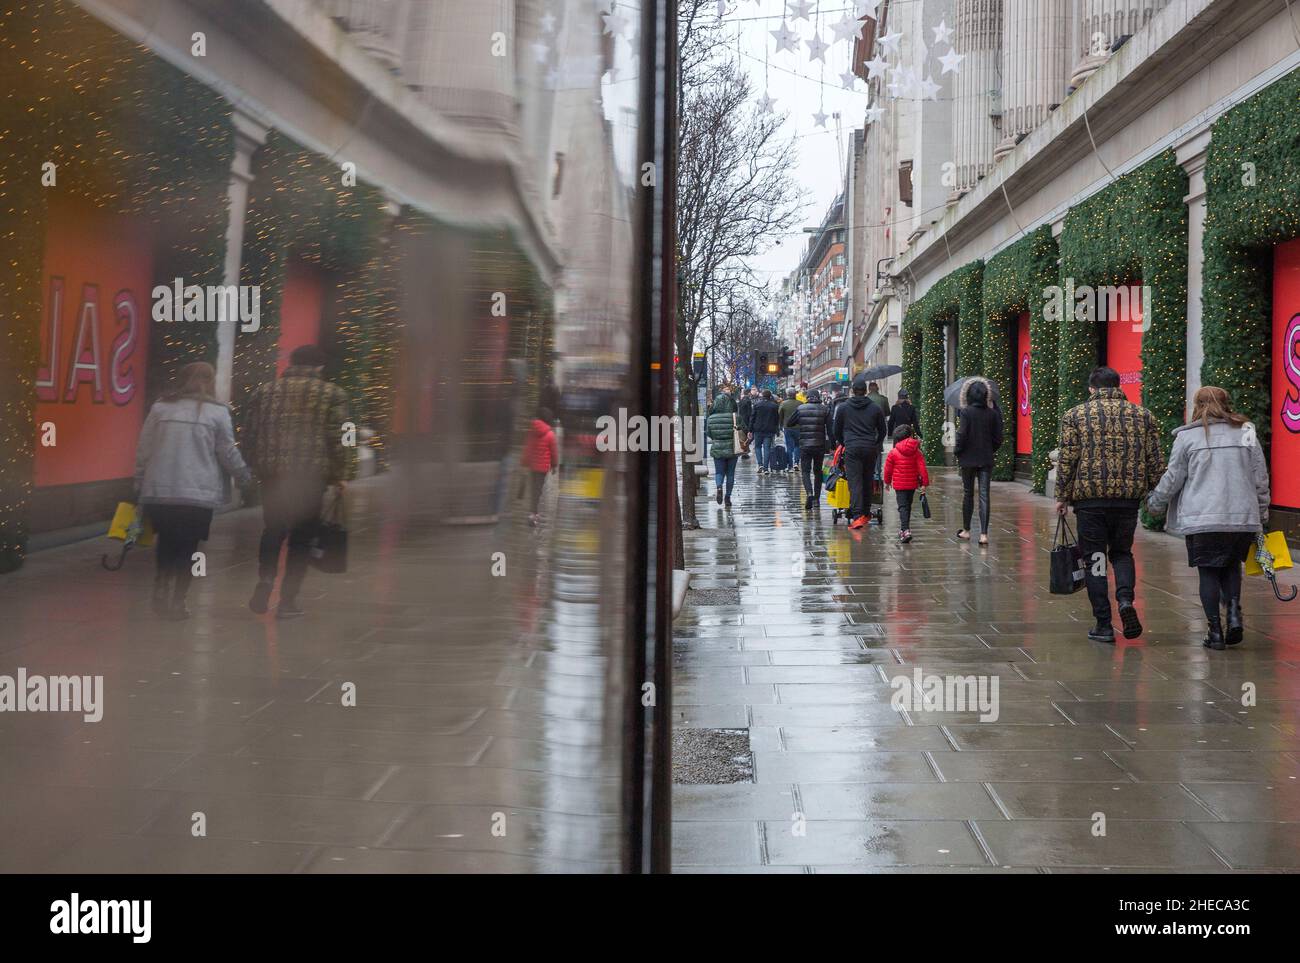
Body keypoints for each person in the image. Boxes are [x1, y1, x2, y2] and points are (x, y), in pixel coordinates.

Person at [1146, 387, 1270, 651]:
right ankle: (1234, 613)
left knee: (1208, 572)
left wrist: (1155, 503)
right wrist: (1261, 513)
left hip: (1203, 517)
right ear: (1227, 404)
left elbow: (1173, 478)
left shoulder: (1187, 437)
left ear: (1196, 405)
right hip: (1241, 516)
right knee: (1231, 566)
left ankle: (1215, 631)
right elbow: (1260, 476)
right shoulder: (1246, 431)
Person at [240, 344, 354, 620]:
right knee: (301, 538)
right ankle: (288, 601)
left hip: (273, 474)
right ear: (320, 367)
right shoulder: (333, 394)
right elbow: (340, 438)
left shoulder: (263, 392)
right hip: (310, 477)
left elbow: (249, 434)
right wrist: (341, 474)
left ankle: (266, 579)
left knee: (273, 529)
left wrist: (256, 464)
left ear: (291, 363)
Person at [1055, 366, 1166, 643]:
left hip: (1089, 500)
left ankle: (1103, 624)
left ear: (1091, 389)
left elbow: (1068, 459)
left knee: (1095, 558)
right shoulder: (1143, 415)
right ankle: (1126, 600)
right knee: (1122, 553)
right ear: (1118, 386)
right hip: (1127, 501)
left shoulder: (1075, 415)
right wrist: (1156, 493)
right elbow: (1155, 461)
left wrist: (1061, 496)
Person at [134, 361, 252, 620]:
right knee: (188, 547)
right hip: (197, 495)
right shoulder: (218, 413)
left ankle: (161, 585)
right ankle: (178, 601)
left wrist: (139, 481)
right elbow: (227, 452)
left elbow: (144, 449)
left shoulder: (160, 407)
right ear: (210, 382)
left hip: (161, 491)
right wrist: (244, 476)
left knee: (166, 542)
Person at [833, 374, 887, 530]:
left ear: (852, 390)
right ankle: (866, 511)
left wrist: (844, 443)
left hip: (852, 448)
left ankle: (857, 515)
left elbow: (836, 430)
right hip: (870, 448)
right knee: (867, 479)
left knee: (854, 482)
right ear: (865, 391)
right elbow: (883, 430)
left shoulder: (843, 407)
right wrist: (876, 444)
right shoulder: (875, 408)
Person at [955, 380, 1004, 546]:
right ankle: (983, 534)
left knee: (968, 493)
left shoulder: (966, 412)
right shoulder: (993, 414)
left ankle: (967, 530)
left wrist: (958, 450)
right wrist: (990, 449)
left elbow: (962, 435)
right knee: (984, 495)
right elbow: (998, 438)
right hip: (985, 458)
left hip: (967, 459)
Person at [883, 424, 929, 544]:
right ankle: (904, 529)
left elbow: (888, 469)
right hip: (912, 484)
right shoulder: (917, 451)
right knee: (907, 506)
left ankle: (905, 530)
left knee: (902, 507)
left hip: (899, 485)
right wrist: (924, 483)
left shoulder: (893, 452)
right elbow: (922, 468)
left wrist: (887, 482)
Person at [791, 388, 830, 510]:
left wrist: (801, 422)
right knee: (818, 471)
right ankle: (817, 500)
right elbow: (830, 428)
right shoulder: (824, 409)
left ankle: (809, 493)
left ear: (807, 397)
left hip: (805, 445)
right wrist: (832, 444)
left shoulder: (801, 408)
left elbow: (789, 422)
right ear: (818, 397)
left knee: (806, 471)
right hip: (819, 445)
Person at [523, 407, 559, 526]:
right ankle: (533, 515)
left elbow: (528, 448)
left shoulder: (531, 431)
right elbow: (554, 452)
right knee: (538, 490)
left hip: (533, 466)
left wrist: (524, 462)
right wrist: (554, 466)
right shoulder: (550, 434)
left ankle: (533, 513)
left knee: (534, 489)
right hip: (542, 468)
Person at [705, 392, 740, 507]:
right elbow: (742, 430)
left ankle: (719, 487)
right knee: (730, 474)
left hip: (718, 449)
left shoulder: (711, 418)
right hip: (732, 448)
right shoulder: (735, 417)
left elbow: (709, 434)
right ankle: (728, 497)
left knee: (719, 472)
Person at [750, 388, 780, 474]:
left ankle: (760, 464)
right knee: (767, 448)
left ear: (762, 396)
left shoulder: (757, 405)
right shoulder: (774, 406)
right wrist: (776, 430)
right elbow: (776, 419)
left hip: (758, 429)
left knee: (758, 447)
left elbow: (752, 418)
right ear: (770, 396)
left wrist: (750, 430)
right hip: (769, 430)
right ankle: (766, 468)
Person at [779, 388, 802, 474]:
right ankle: (796, 462)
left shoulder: (783, 404)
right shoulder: (800, 404)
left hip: (787, 428)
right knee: (797, 445)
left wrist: (780, 426)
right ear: (795, 394)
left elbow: (780, 415)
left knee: (789, 447)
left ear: (787, 394)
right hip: (798, 427)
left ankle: (790, 466)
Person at [736, 386, 756, 459]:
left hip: (742, 420)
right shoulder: (748, 400)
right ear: (748, 393)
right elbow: (749, 412)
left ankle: (745, 451)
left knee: (744, 437)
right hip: (746, 421)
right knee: (748, 437)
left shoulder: (741, 400)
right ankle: (744, 451)